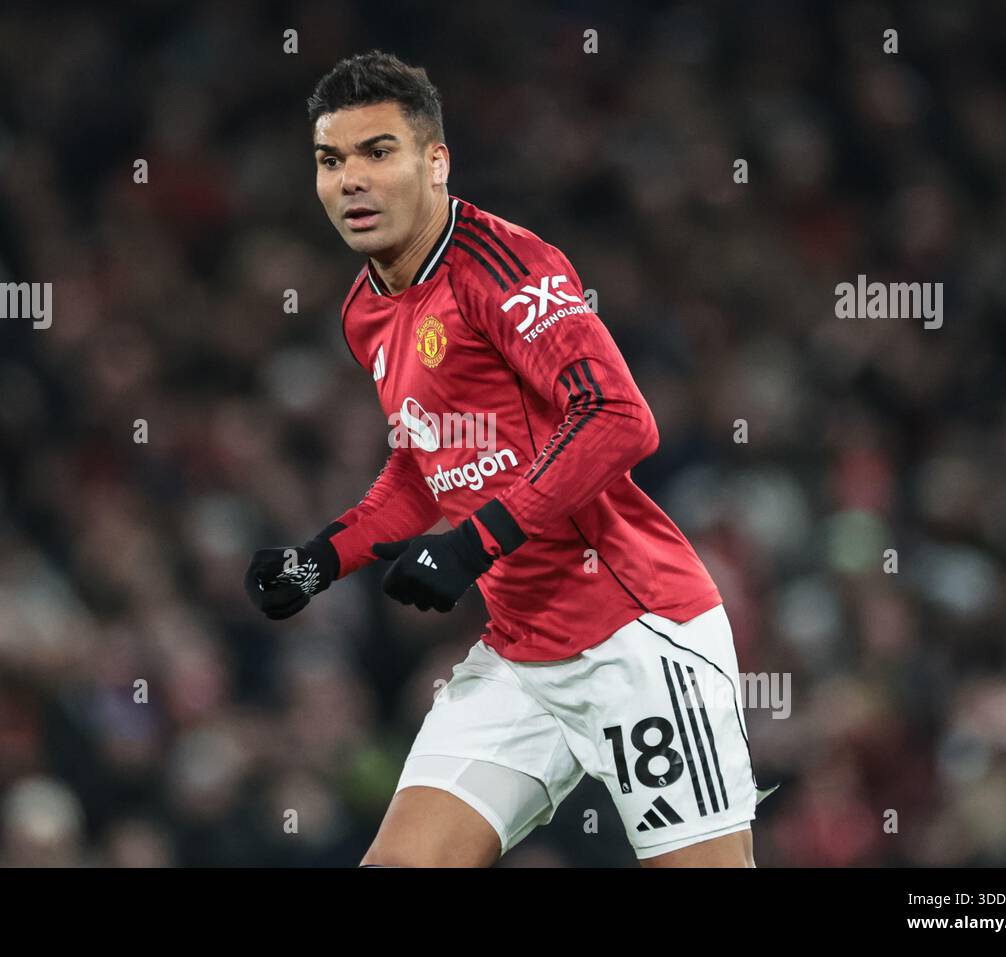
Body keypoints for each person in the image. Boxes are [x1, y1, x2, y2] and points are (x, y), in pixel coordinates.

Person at [246, 50, 761, 867]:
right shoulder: (364, 312)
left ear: (435, 160)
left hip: (635, 634)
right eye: (330, 159)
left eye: (378, 152)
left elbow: (620, 417)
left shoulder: (505, 266)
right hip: (521, 655)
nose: (350, 179)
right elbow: (424, 471)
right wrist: (318, 561)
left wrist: (472, 542)